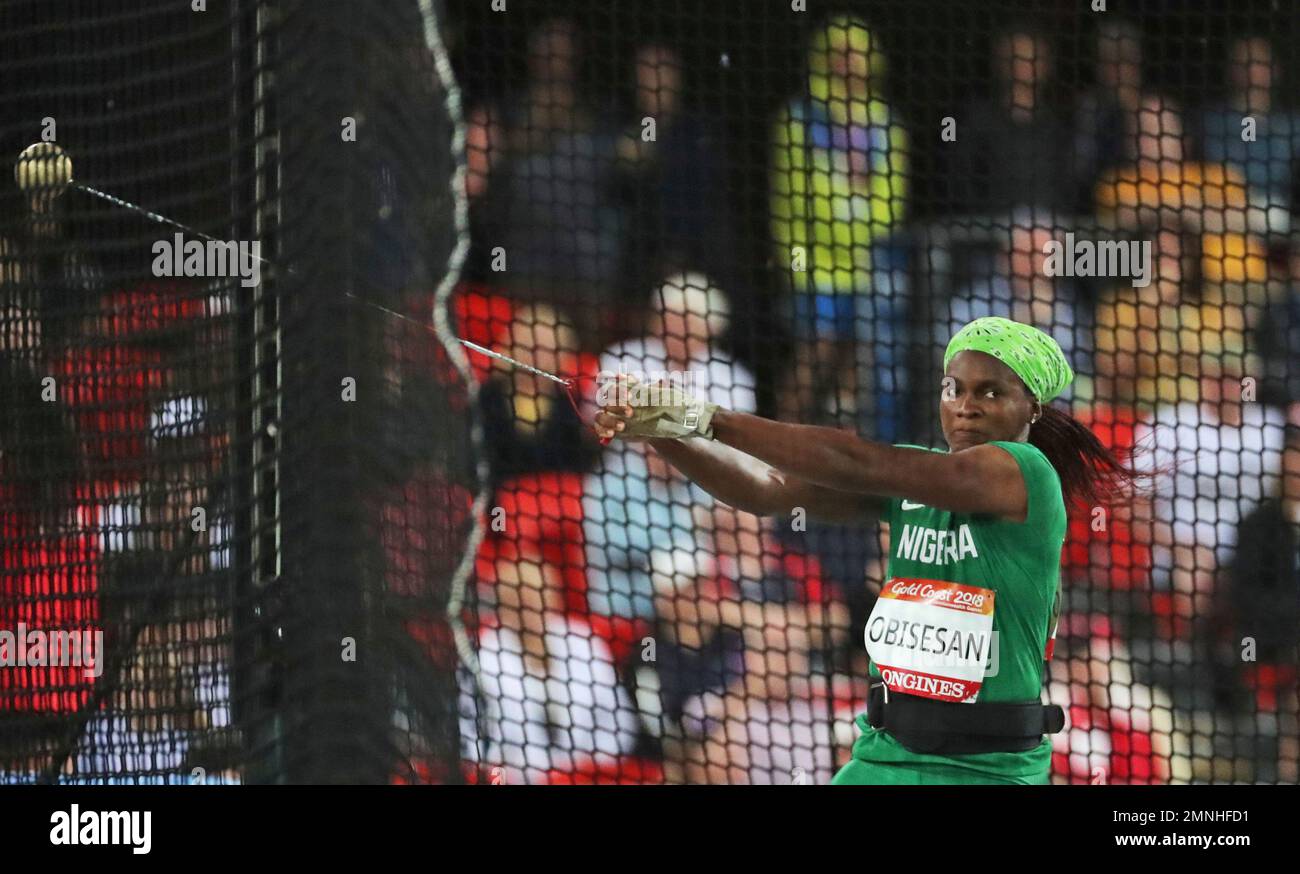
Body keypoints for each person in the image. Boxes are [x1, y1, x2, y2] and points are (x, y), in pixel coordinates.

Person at [595, 315, 1145, 784]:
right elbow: (763, 490)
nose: (966, 405)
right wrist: (664, 434)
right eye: (954, 388)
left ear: (1034, 410)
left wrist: (708, 418)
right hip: (887, 754)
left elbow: (861, 463)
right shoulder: (917, 480)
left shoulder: (1024, 473)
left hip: (986, 766)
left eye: (991, 391)